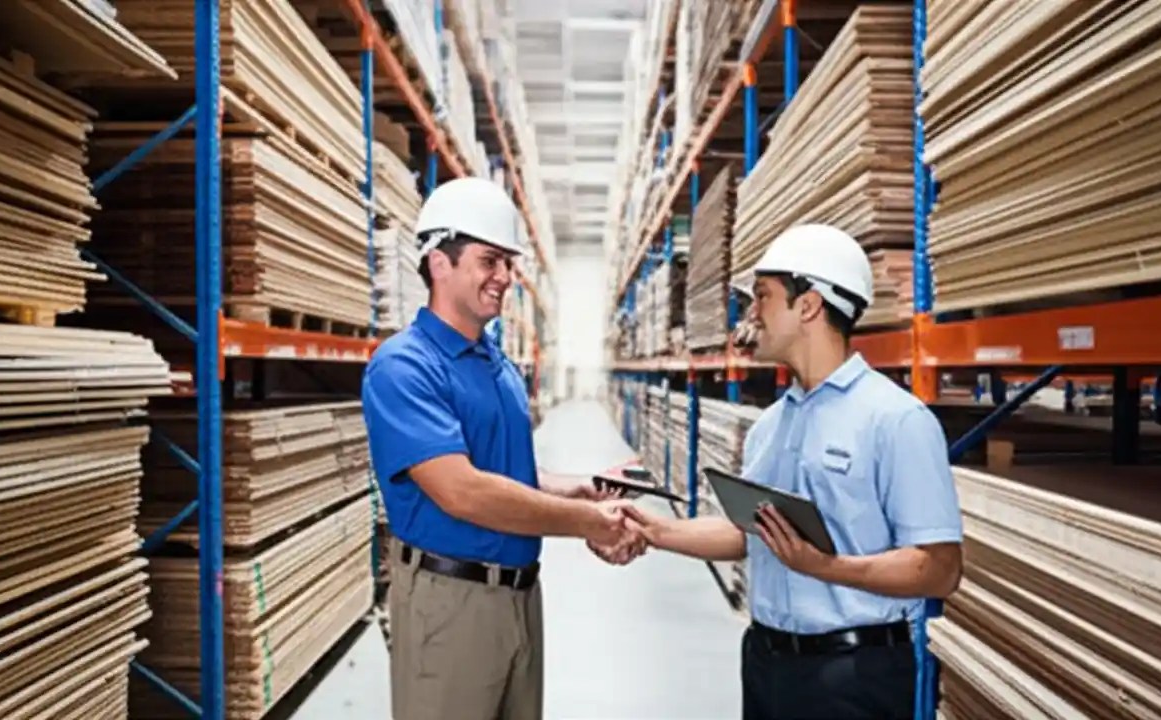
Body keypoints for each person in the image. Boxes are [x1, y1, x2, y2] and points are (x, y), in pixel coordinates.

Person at [595, 223, 964, 720]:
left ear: (808, 305)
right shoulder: (772, 424)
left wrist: (828, 569)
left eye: (763, 296)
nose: (752, 315)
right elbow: (749, 535)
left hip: (854, 674)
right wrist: (653, 530)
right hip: (766, 664)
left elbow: (940, 568)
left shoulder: (897, 421)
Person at [362, 177, 632, 720]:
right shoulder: (404, 367)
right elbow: (462, 492)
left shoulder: (496, 363)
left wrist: (573, 487)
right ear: (440, 262)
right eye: (490, 260)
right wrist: (584, 520)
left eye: (508, 262)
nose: (505, 277)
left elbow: (502, 469)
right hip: (450, 602)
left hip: (520, 598)